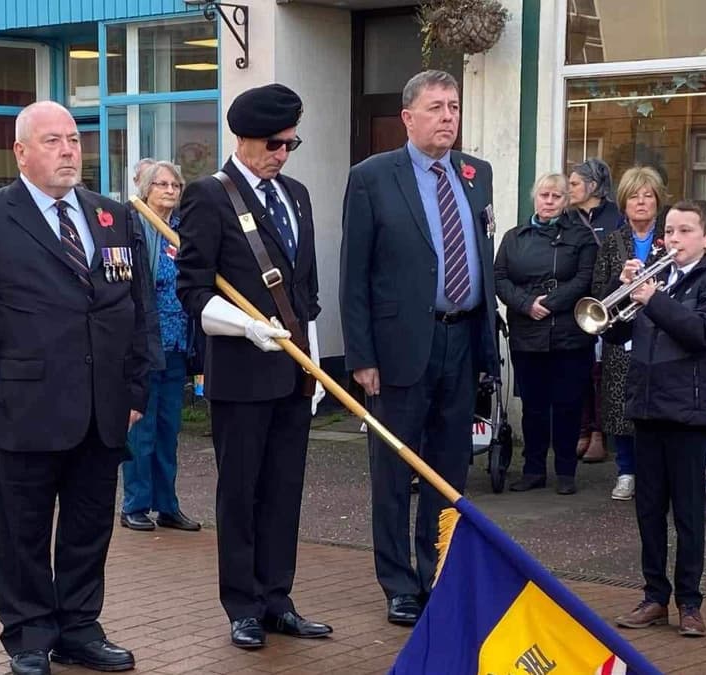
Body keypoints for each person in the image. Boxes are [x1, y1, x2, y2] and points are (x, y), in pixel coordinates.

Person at [0, 101, 153, 675]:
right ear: (21, 151)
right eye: (53, 141)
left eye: (73, 140)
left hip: (102, 407)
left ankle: (80, 626)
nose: (68, 150)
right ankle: (30, 632)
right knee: (23, 531)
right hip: (23, 405)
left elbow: (138, 309)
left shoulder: (111, 215)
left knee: (89, 525)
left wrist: (137, 390)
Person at [340, 70, 498, 627]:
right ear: (408, 117)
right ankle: (398, 583)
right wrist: (361, 356)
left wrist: (486, 351)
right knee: (393, 470)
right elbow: (353, 274)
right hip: (399, 348)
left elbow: (481, 253)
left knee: (448, 470)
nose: (448, 117)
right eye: (436, 107)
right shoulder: (372, 177)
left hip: (462, 337)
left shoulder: (478, 174)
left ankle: (438, 571)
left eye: (454, 106)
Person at [176, 83, 332, 650]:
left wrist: (311, 362)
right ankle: (241, 604)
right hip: (241, 374)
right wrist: (246, 326)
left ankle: (277, 598)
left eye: (292, 143)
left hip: (292, 373)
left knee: (285, 490)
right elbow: (191, 290)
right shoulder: (208, 196)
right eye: (274, 143)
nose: (283, 154)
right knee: (240, 493)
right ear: (243, 138)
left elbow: (305, 291)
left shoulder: (297, 194)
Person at [608, 200, 706, 639]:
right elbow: (615, 331)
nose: (673, 240)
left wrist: (653, 299)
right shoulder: (653, 278)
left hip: (687, 413)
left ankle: (691, 603)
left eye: (684, 231)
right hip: (646, 408)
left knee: (687, 515)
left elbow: (704, 332)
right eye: (669, 231)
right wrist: (622, 289)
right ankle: (654, 597)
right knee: (648, 511)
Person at [496, 173, 597, 494]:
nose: (549, 201)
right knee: (534, 406)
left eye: (556, 196)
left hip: (569, 335)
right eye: (544, 195)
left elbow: (584, 279)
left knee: (568, 405)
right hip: (527, 334)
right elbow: (499, 278)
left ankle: (566, 471)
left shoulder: (582, 236)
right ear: (534, 198)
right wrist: (527, 304)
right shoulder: (514, 237)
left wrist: (551, 304)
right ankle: (533, 469)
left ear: (566, 201)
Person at [120, 160, 201, 533]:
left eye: (176, 185)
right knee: (142, 428)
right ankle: (135, 503)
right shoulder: (133, 228)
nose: (169, 191)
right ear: (146, 189)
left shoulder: (183, 231)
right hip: (142, 343)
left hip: (177, 342)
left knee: (170, 429)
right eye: (162, 184)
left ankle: (167, 504)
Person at [591, 166, 668, 502]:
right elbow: (598, 293)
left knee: (657, 406)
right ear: (623, 202)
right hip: (622, 335)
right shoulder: (612, 242)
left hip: (662, 333)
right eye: (634, 196)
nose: (641, 202)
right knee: (620, 404)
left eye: (648, 195)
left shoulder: (670, 238)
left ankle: (655, 473)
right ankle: (626, 471)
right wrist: (620, 281)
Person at [568, 158, 620, 464]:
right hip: (576, 303)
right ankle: (583, 429)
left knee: (601, 371)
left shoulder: (616, 216)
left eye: (575, 183)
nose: (570, 188)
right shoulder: (568, 216)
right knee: (581, 370)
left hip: (606, 303)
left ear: (593, 186)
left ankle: (600, 433)